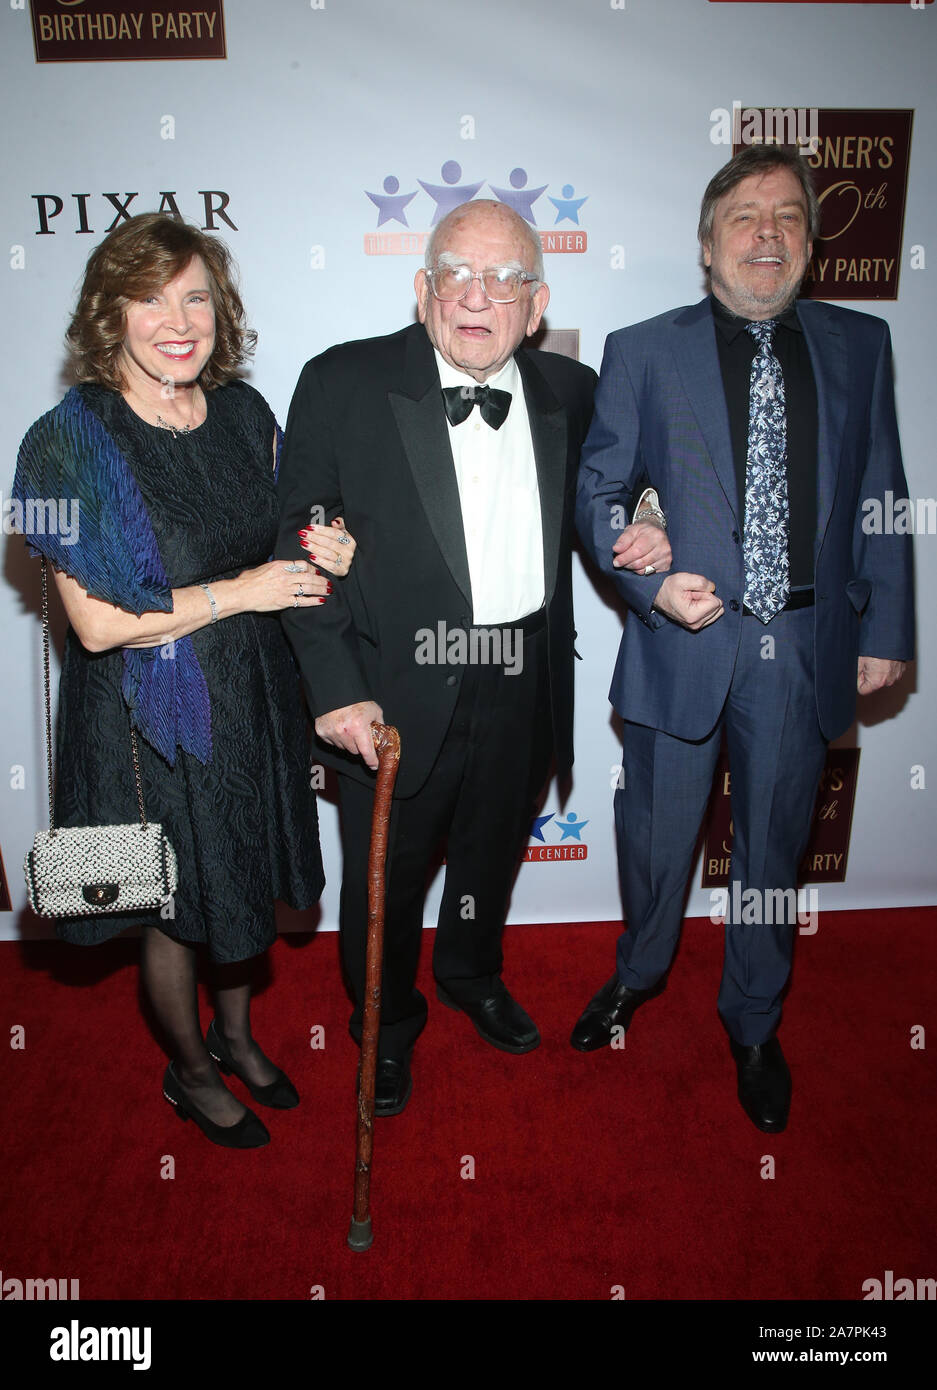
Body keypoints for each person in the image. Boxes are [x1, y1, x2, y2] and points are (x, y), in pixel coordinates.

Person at [276, 199, 670, 1115]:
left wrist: (649, 510)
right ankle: (387, 1022)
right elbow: (300, 542)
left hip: (522, 676)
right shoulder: (340, 382)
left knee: (491, 854)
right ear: (424, 289)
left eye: (505, 280)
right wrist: (333, 691)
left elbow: (640, 469)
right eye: (458, 272)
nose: (478, 297)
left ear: (536, 306)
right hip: (390, 690)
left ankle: (469, 969)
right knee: (387, 879)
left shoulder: (573, 391)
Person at [571, 145, 914, 1132]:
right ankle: (638, 972)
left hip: (805, 641)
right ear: (706, 243)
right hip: (685, 638)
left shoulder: (860, 343)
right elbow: (599, 494)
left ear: (808, 242)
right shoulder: (643, 348)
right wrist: (644, 579)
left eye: (788, 217)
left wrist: (886, 622)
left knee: (771, 852)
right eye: (744, 216)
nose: (766, 234)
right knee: (653, 839)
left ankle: (754, 1020)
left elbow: (884, 493)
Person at [12, 213, 356, 1148]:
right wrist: (240, 588)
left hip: (250, 695)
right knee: (172, 903)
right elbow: (94, 625)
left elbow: (291, 536)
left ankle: (238, 1039)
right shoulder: (66, 443)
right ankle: (192, 1073)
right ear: (108, 312)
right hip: (145, 719)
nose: (178, 318)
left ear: (220, 308)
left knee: (238, 879)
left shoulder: (245, 414)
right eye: (150, 297)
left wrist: (329, 543)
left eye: (195, 295)